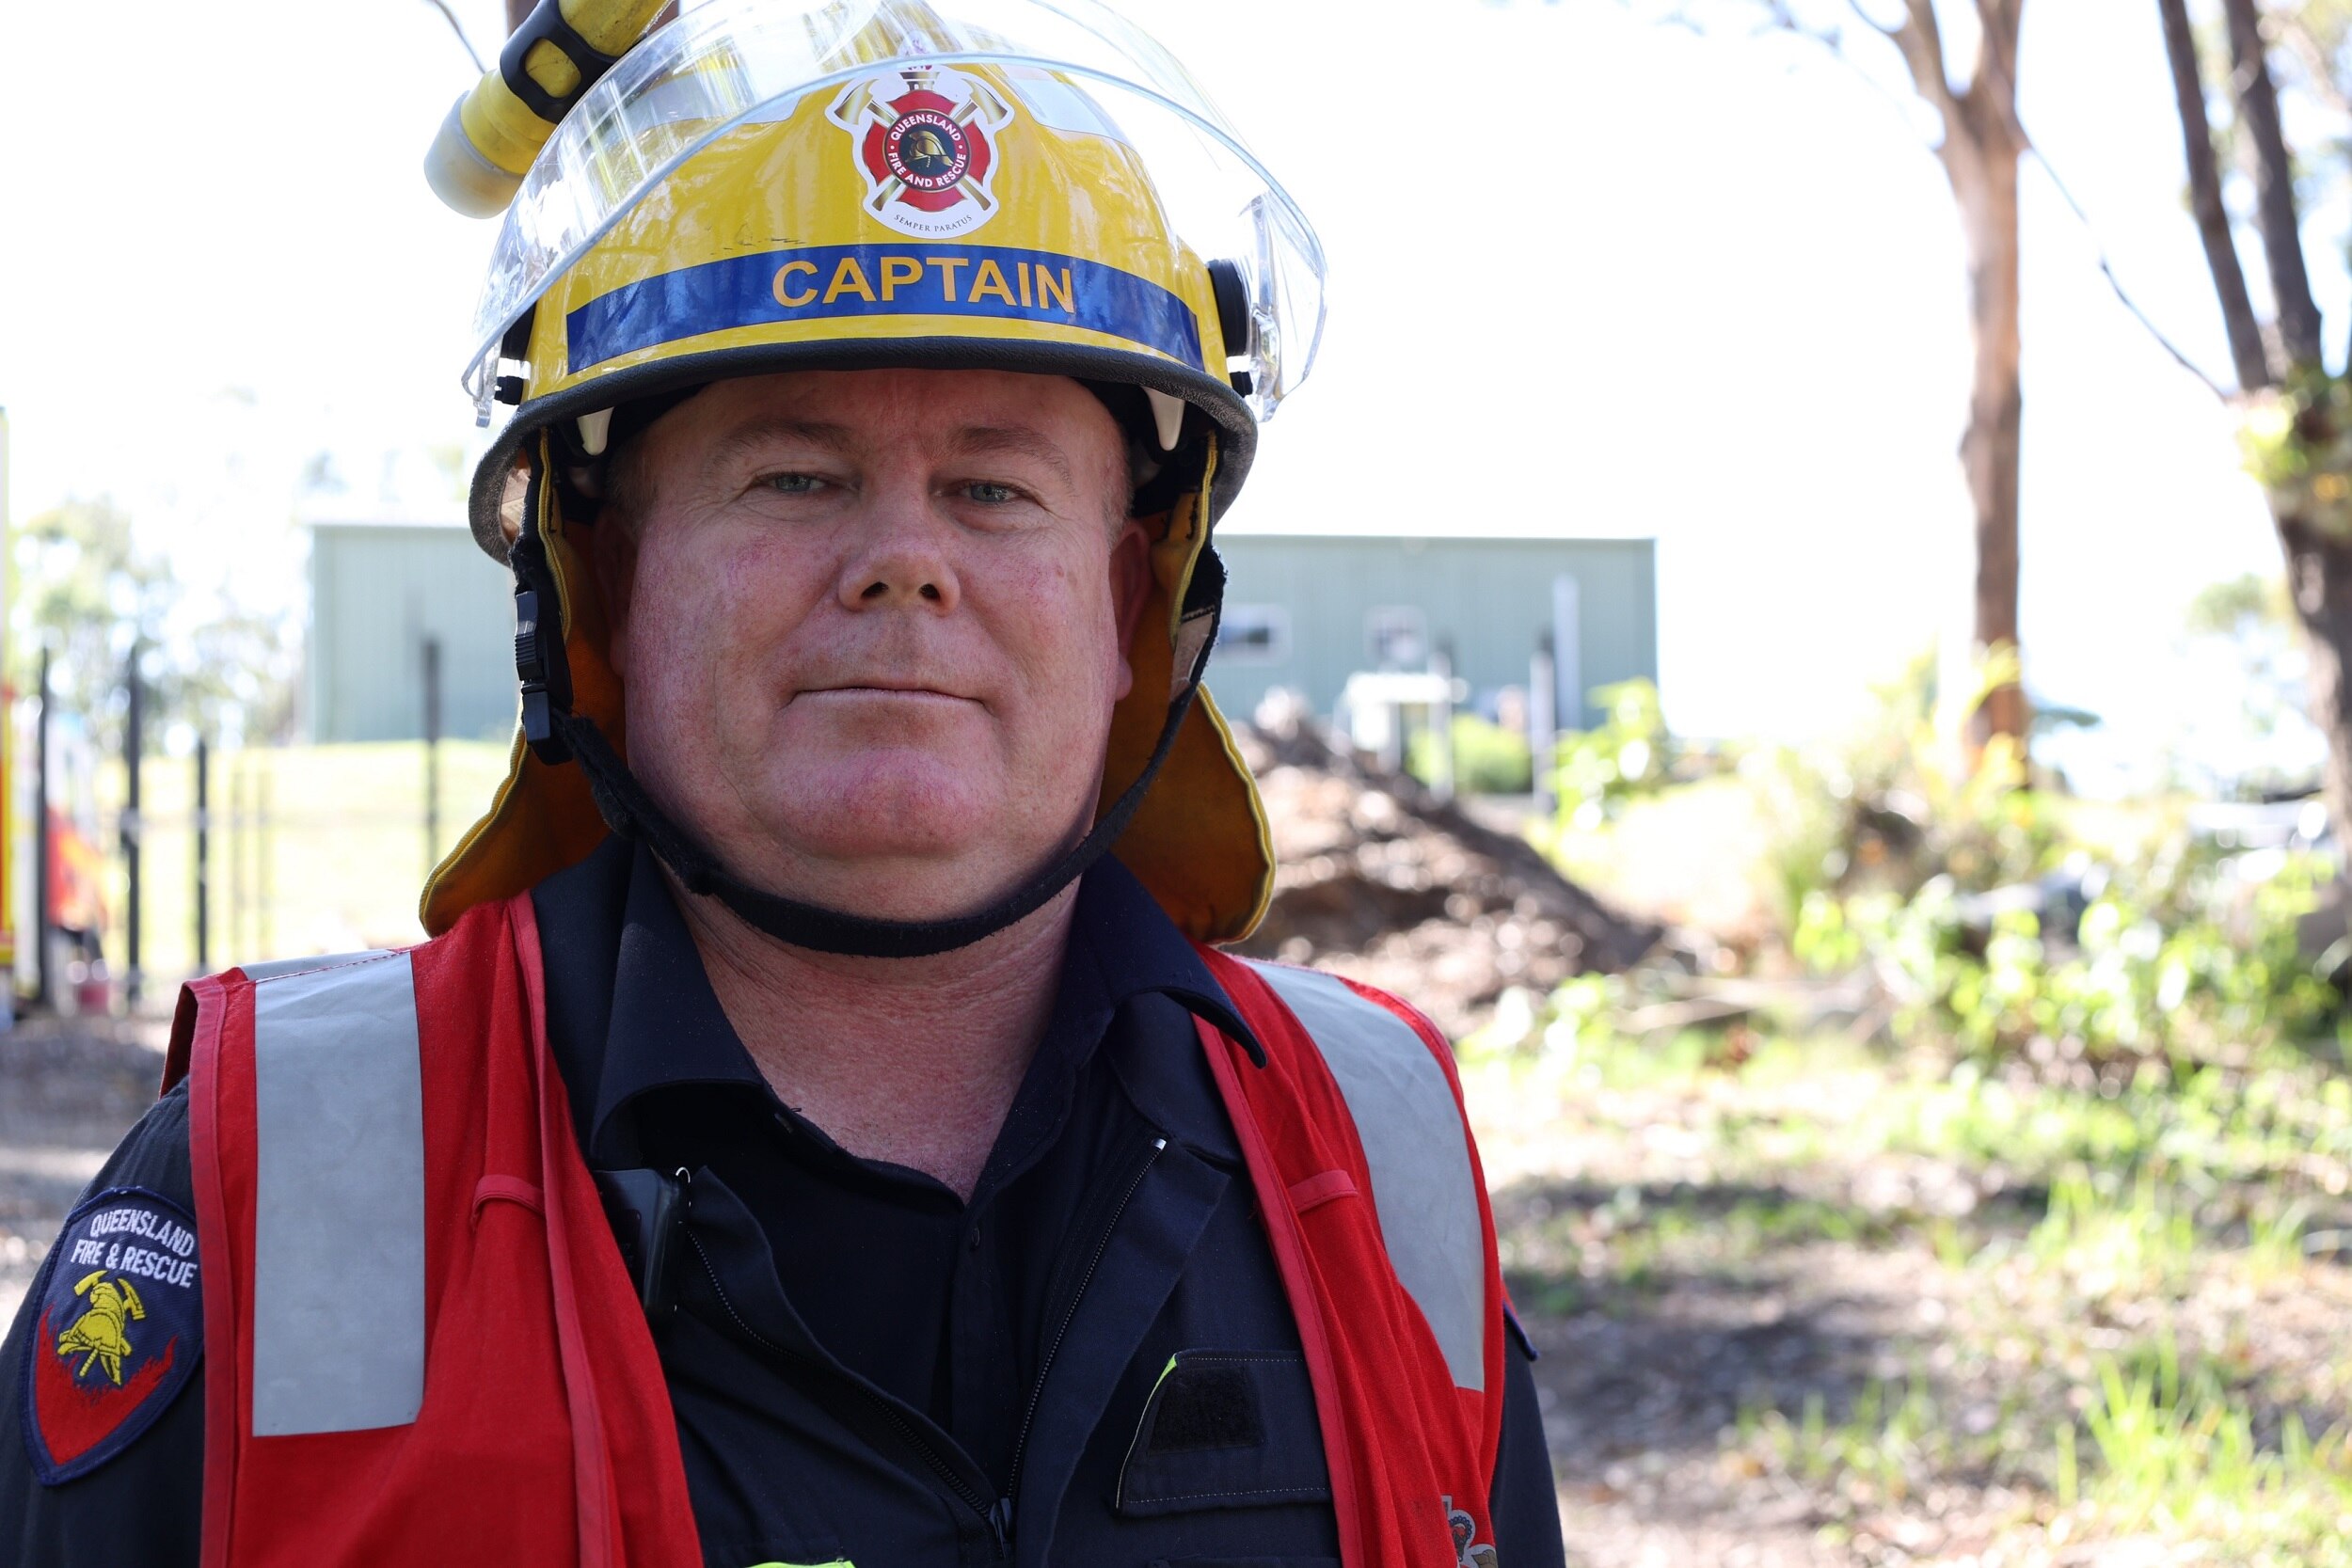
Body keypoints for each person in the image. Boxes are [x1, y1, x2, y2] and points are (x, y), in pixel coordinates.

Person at [1, 4, 1568, 1564]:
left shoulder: (1382, 1150)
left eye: (995, 486)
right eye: (793, 475)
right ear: (602, 586)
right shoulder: (270, 1184)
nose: (903, 562)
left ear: (1132, 611)